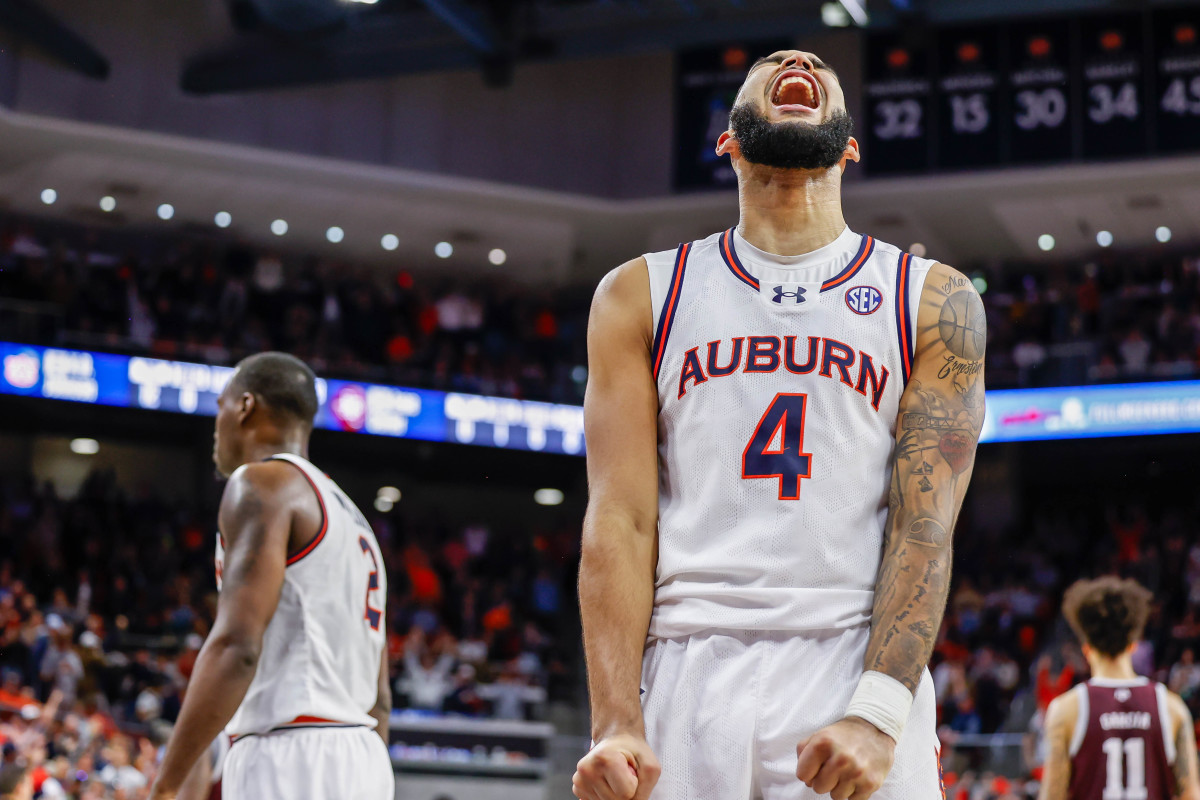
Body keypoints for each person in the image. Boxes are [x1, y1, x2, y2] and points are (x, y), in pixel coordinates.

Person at [574, 49, 987, 800]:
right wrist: (614, 722)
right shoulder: (640, 295)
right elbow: (621, 521)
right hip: (686, 669)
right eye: (771, 61)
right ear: (726, 140)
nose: (798, 60)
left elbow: (923, 525)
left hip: (849, 658)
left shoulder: (932, 299)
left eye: (818, 67)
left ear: (849, 146)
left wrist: (879, 712)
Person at [148, 353, 393, 800]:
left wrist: (167, 785)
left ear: (244, 406)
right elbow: (381, 698)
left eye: (220, 407)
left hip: (292, 752)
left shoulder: (261, 484)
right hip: (365, 758)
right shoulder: (353, 518)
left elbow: (237, 646)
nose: (216, 425)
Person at [1039, 577, 1199, 800]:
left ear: (1087, 648)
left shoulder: (1066, 710)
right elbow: (1190, 794)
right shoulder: (1171, 707)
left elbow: (1052, 796)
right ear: (1134, 644)